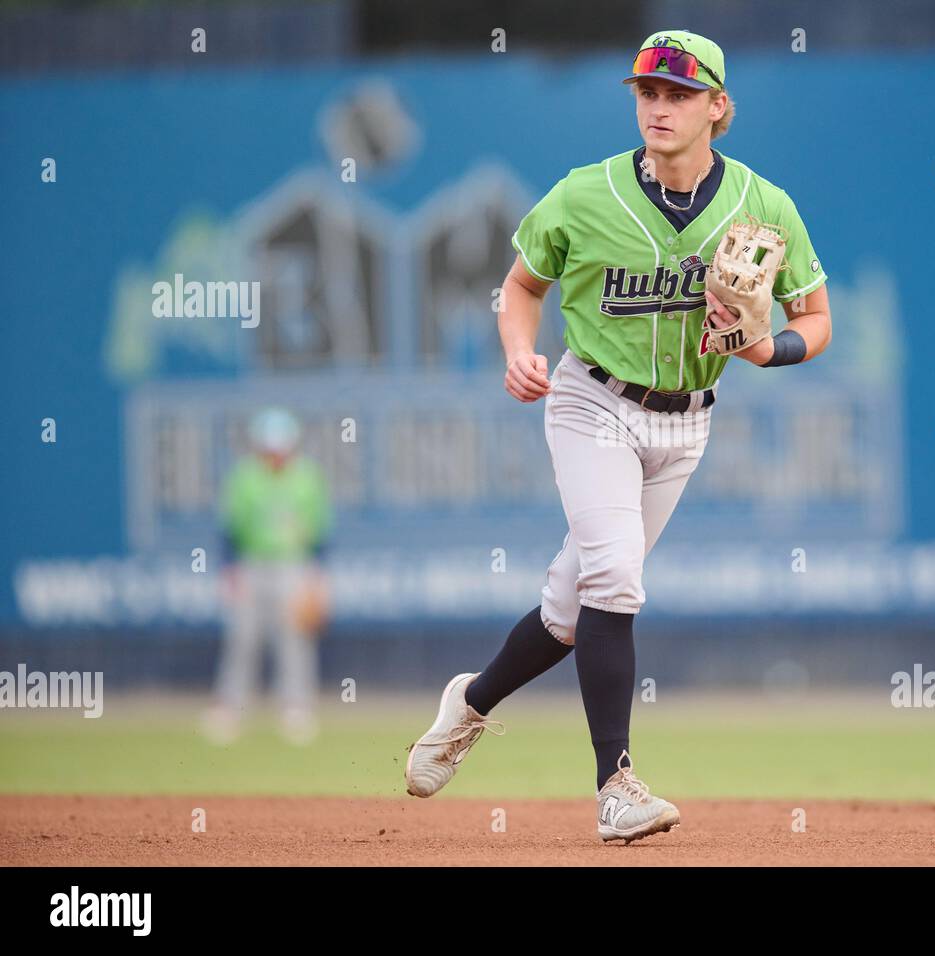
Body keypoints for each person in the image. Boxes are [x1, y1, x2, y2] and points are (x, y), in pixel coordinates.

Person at [404, 30, 832, 842]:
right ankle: (616, 788)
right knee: (615, 576)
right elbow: (521, 285)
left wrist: (766, 349)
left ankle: (470, 703)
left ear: (719, 106)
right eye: (647, 93)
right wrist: (518, 349)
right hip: (591, 402)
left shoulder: (763, 205)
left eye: (679, 94)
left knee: (572, 606)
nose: (659, 108)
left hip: (687, 422)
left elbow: (816, 319)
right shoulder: (584, 193)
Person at [202, 407, 333, 746]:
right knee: (243, 637)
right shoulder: (246, 477)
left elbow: (320, 532)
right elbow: (230, 528)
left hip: (294, 564)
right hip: (252, 563)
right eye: (270, 447)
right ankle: (229, 708)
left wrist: (317, 576)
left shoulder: (306, 476)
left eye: (281, 447)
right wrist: (229, 569)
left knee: (294, 640)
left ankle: (296, 708)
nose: (275, 454)